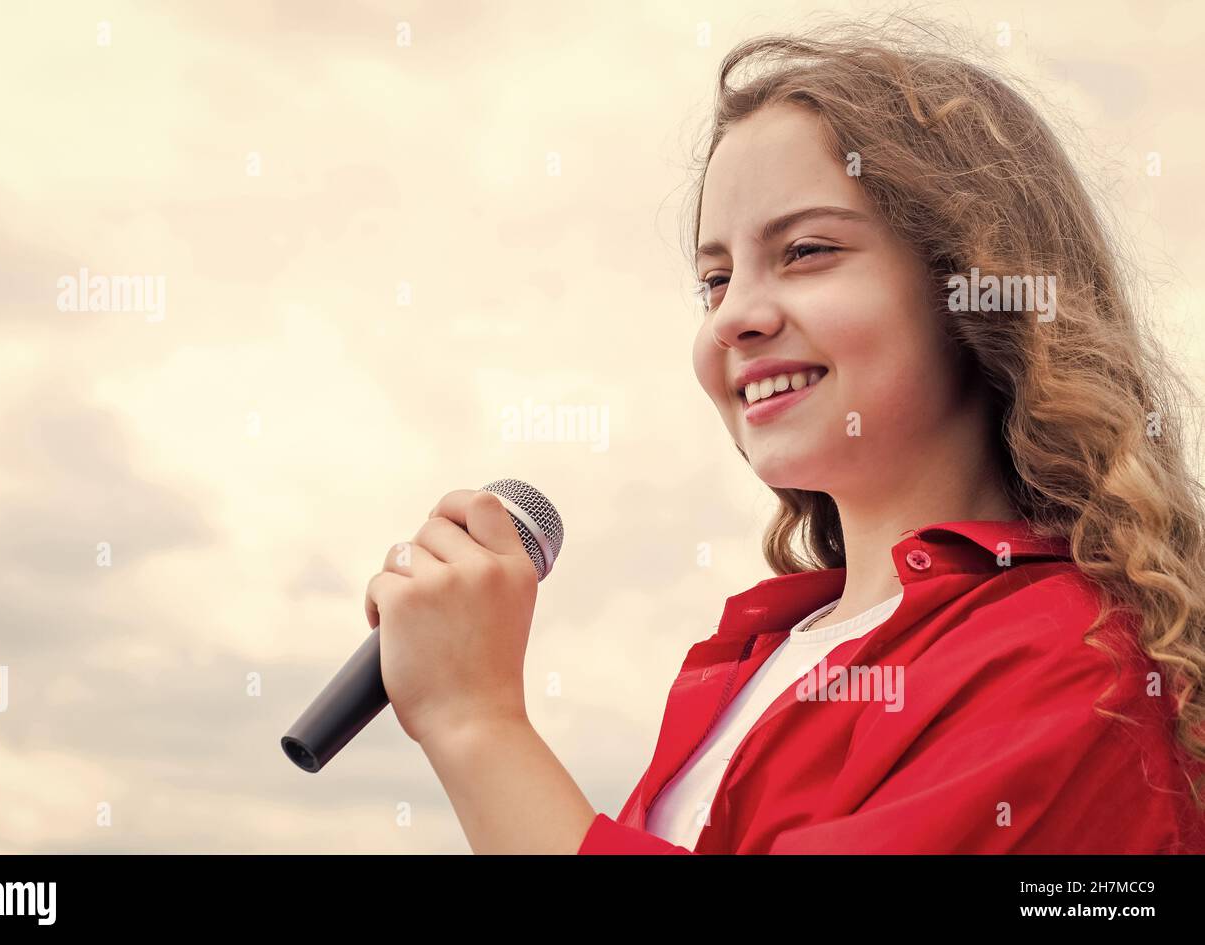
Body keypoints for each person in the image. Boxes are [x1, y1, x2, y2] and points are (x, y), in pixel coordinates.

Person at [363, 23, 1205, 854]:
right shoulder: (758, 655)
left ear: (975, 293)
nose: (735, 316)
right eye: (715, 280)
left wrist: (475, 722)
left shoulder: (1083, 661)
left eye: (805, 250)